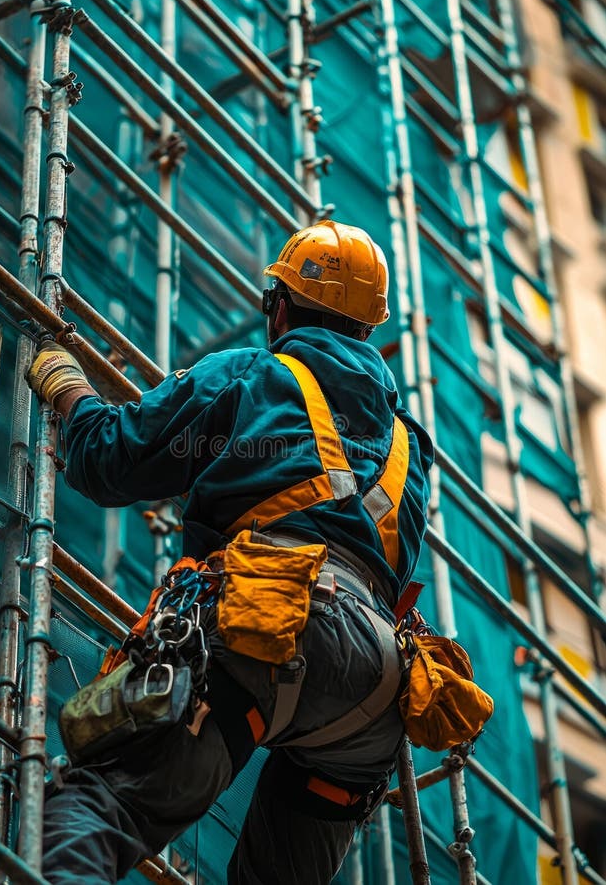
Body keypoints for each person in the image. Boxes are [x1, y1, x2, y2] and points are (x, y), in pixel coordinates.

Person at [28, 220, 433, 885]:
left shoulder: (252, 374)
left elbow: (111, 459)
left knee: (102, 808)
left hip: (267, 628)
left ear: (277, 306)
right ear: (367, 329)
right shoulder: (409, 446)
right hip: (372, 694)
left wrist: (65, 383)